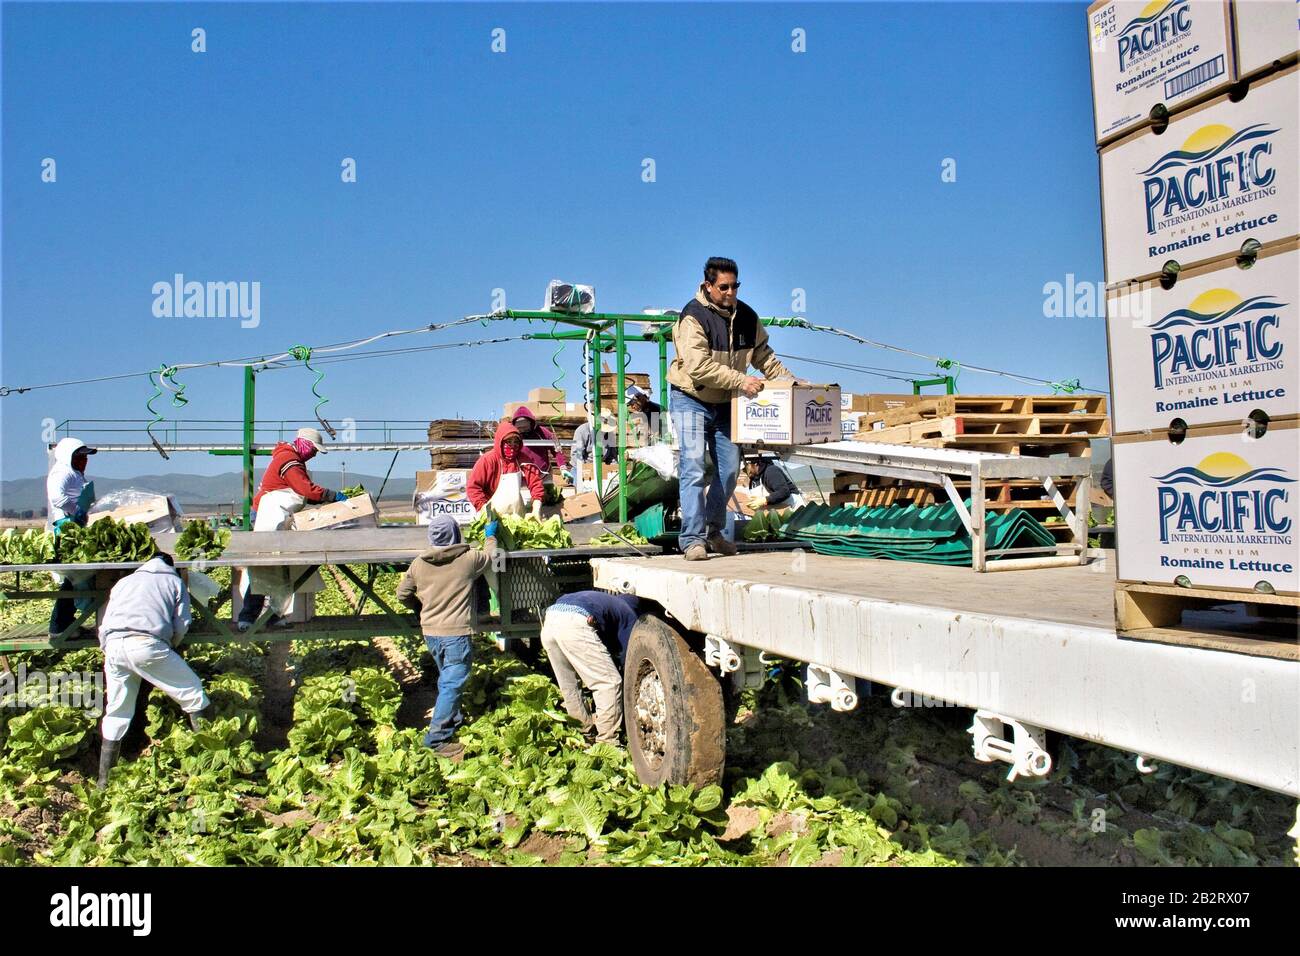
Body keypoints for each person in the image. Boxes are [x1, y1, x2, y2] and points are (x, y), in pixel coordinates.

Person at [667, 256, 795, 560]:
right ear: (708, 285)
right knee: (694, 467)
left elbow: (764, 357)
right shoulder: (693, 316)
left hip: (725, 404)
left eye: (734, 286)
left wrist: (792, 383)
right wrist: (740, 380)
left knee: (728, 472)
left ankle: (714, 531)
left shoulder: (748, 317)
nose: (730, 292)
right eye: (723, 287)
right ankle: (692, 540)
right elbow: (698, 367)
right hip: (690, 399)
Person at [96, 551, 212, 787]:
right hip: (146, 645)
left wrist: (106, 646)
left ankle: (103, 782)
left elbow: (104, 620)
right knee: (193, 694)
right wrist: (172, 646)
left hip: (114, 645)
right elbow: (182, 624)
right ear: (171, 566)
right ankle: (209, 763)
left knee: (118, 710)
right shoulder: (174, 582)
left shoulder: (124, 582)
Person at [395, 515, 499, 757]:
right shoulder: (468, 559)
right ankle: (437, 739)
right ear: (455, 535)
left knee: (447, 678)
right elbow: (492, 556)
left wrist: (418, 607)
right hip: (456, 633)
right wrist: (490, 535)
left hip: (431, 632)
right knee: (452, 682)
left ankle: (453, 721)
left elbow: (402, 594)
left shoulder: (419, 564)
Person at [237, 427, 345, 632]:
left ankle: (273, 615)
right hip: (267, 518)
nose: (314, 454)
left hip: (275, 517)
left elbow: (301, 492)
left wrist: (321, 499)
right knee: (265, 565)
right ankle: (249, 617)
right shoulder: (290, 461)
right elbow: (304, 489)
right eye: (314, 449)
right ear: (304, 444)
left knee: (278, 566)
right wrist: (332, 496)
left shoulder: (290, 458)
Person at [539, 590, 640, 743]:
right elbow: (629, 659)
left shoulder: (609, 603)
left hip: (551, 620)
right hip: (575, 622)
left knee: (569, 685)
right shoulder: (630, 615)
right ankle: (607, 742)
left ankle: (583, 734)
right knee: (609, 683)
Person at [45, 437, 97, 638]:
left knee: (74, 578)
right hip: (66, 529)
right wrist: (76, 510)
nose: (84, 461)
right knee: (72, 577)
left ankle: (65, 624)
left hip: (74, 527)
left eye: (85, 457)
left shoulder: (74, 473)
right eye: (80, 456)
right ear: (69, 456)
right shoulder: (62, 472)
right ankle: (59, 627)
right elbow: (58, 498)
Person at [467, 420, 546, 518]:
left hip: (516, 515)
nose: (512, 446)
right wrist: (483, 508)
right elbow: (473, 487)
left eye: (516, 442)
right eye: (508, 442)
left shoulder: (523, 459)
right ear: (500, 441)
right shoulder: (488, 460)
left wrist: (536, 508)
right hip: (491, 515)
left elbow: (535, 483)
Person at [510, 406, 568, 471]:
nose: (523, 430)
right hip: (523, 475)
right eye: (520, 428)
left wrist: (563, 467)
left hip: (544, 474)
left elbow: (557, 449)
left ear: (531, 424)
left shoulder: (542, 432)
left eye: (525, 427)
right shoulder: (513, 435)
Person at [740, 454, 805, 512]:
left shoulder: (771, 471)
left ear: (755, 463)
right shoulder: (754, 479)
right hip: (779, 508)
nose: (744, 471)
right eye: (743, 469)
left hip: (793, 507)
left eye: (746, 467)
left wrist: (765, 500)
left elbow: (784, 492)